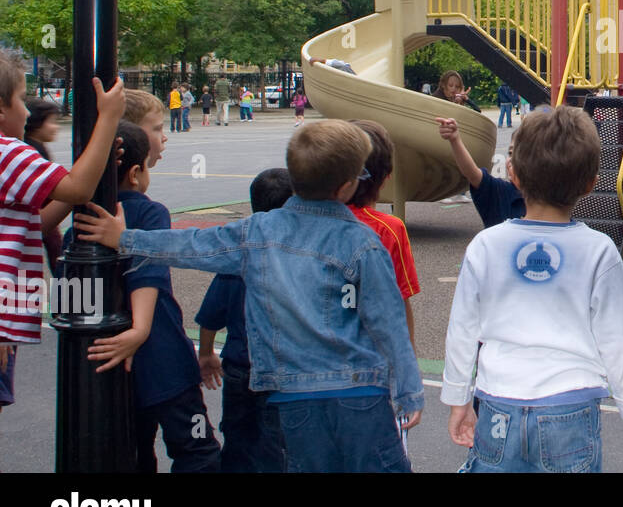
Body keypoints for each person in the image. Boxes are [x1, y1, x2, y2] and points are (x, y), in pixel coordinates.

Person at [74, 120, 425, 473]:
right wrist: (409, 391)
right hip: (359, 389)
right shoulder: (364, 242)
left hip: (291, 395)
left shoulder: (257, 232)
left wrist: (124, 238)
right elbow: (388, 321)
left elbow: (191, 246)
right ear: (348, 186)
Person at [440, 106, 623, 473]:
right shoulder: (599, 250)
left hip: (497, 403)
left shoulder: (486, 245)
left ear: (513, 174)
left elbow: (462, 329)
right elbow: (620, 340)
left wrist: (458, 399)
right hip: (570, 407)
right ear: (591, 183)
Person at [82, 121, 222, 473]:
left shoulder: (83, 219)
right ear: (134, 173)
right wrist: (141, 329)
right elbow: (149, 269)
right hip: (163, 358)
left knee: (132, 449)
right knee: (197, 448)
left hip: (110, 360)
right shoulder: (148, 211)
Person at [0, 63, 123, 412]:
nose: (27, 111)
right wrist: (109, 118)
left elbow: (34, 224)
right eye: (22, 100)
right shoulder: (7, 152)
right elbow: (78, 187)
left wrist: (94, 163)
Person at [196, 168, 292, 473]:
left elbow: (211, 314)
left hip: (238, 367)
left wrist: (206, 352)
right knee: (276, 444)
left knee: (238, 439)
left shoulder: (236, 256)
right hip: (281, 370)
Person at [347, 120, 420, 349]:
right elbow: (399, 300)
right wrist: (408, 359)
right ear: (387, 176)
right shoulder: (388, 229)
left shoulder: (315, 220)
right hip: (371, 352)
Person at [437, 115, 525, 227]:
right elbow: (472, 174)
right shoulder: (499, 192)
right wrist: (455, 140)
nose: (512, 159)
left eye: (522, 154)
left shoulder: (550, 200)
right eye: (510, 153)